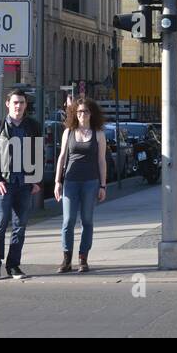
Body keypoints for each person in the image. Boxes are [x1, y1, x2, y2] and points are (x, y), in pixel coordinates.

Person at [0, 91, 41, 280]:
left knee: (20, 226)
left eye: (22, 103)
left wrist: (36, 179)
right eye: (15, 102)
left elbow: (38, 153)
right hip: (5, 185)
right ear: (8, 104)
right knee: (0, 224)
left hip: (24, 184)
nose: (19, 106)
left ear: (26, 105)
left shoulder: (32, 127)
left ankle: (13, 265)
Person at [53, 95, 107, 274]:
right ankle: (66, 259)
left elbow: (101, 161)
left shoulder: (98, 134)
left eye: (85, 111)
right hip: (71, 181)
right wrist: (57, 181)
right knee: (68, 220)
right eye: (79, 112)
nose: (82, 114)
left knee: (87, 220)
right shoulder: (68, 132)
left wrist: (103, 185)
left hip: (90, 182)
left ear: (91, 113)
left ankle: (83, 258)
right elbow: (61, 157)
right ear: (74, 114)